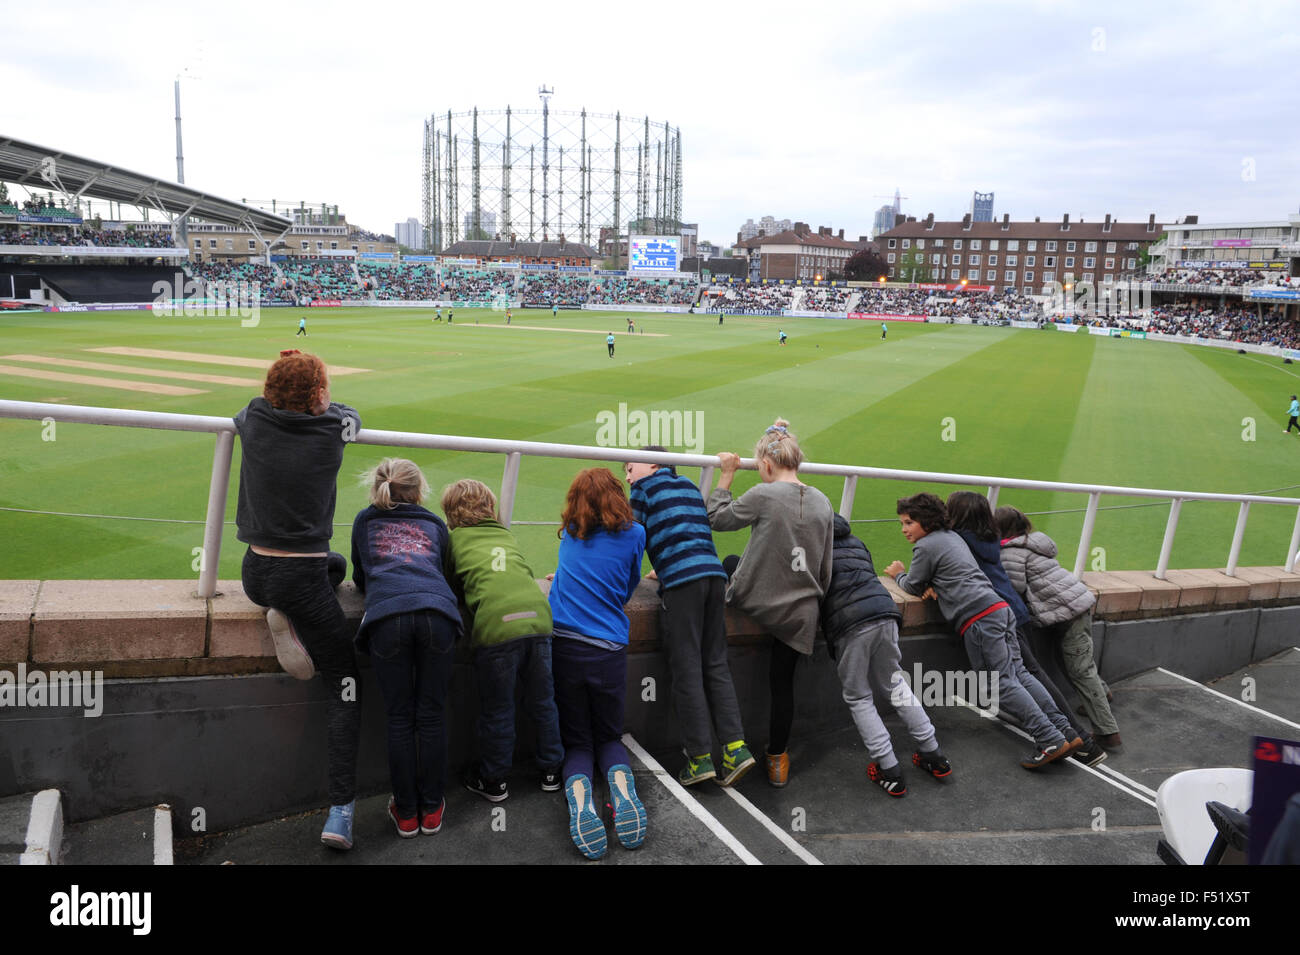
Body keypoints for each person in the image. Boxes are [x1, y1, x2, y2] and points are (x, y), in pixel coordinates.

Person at [235, 349, 362, 849]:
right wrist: (326, 401)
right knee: (345, 685)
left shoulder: (253, 417)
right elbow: (350, 416)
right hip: (301, 579)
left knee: (335, 566)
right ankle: (341, 811)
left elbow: (257, 405)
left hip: (254, 575)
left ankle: (282, 618)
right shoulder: (333, 429)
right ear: (319, 396)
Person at [884, 493, 1081, 771]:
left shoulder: (927, 546)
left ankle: (1049, 738)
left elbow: (914, 586)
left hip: (979, 618)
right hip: (1000, 608)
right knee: (1020, 674)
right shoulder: (952, 537)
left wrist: (898, 574)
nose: (904, 529)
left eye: (909, 523)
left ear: (926, 522)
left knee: (998, 682)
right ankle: (1066, 733)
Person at [707, 419, 833, 786]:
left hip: (759, 599)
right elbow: (825, 567)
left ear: (764, 464)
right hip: (801, 611)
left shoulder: (763, 495)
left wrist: (726, 476)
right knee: (783, 684)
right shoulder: (824, 501)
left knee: (729, 562)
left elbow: (717, 519)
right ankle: (778, 759)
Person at [625, 448, 754, 788]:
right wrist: (664, 565)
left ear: (652, 465)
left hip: (682, 586)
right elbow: (687, 534)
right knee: (716, 663)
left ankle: (699, 758)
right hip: (713, 579)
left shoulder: (642, 490)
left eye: (629, 467)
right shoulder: (687, 487)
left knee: (686, 670)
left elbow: (631, 540)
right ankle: (735, 748)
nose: (627, 476)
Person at [945, 491, 1101, 765]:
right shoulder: (989, 539)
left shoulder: (960, 541)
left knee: (1026, 677)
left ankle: (1080, 741)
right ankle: (1077, 738)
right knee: (1031, 674)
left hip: (994, 613)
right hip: (1014, 611)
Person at [350, 459, 461, 839]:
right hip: (438, 615)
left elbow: (360, 577)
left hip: (387, 617)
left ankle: (407, 812)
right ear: (418, 488)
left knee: (399, 717)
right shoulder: (433, 523)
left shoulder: (365, 520)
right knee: (431, 714)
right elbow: (443, 573)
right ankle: (432, 811)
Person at [440, 479, 563, 802]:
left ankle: (493, 779)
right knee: (543, 701)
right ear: (490, 507)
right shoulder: (504, 534)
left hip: (497, 627)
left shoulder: (453, 541)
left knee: (498, 709)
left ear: (450, 512)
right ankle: (552, 770)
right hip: (538, 617)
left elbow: (452, 586)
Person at [547, 468, 648, 859]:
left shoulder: (571, 534)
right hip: (608, 648)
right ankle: (622, 793)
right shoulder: (636, 535)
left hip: (564, 646)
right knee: (608, 736)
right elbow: (626, 586)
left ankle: (581, 799)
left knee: (577, 741)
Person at [822, 512, 950, 797]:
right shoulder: (856, 541)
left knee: (858, 696)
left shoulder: (812, 544)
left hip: (852, 625)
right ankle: (933, 753)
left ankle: (889, 768)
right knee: (895, 685)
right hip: (887, 613)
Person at [994, 505, 1122, 750]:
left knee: (1081, 669)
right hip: (1075, 607)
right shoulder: (1034, 543)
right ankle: (1101, 694)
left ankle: (1107, 731)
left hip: (1067, 613)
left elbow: (1014, 588)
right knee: (1074, 661)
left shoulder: (1010, 553)